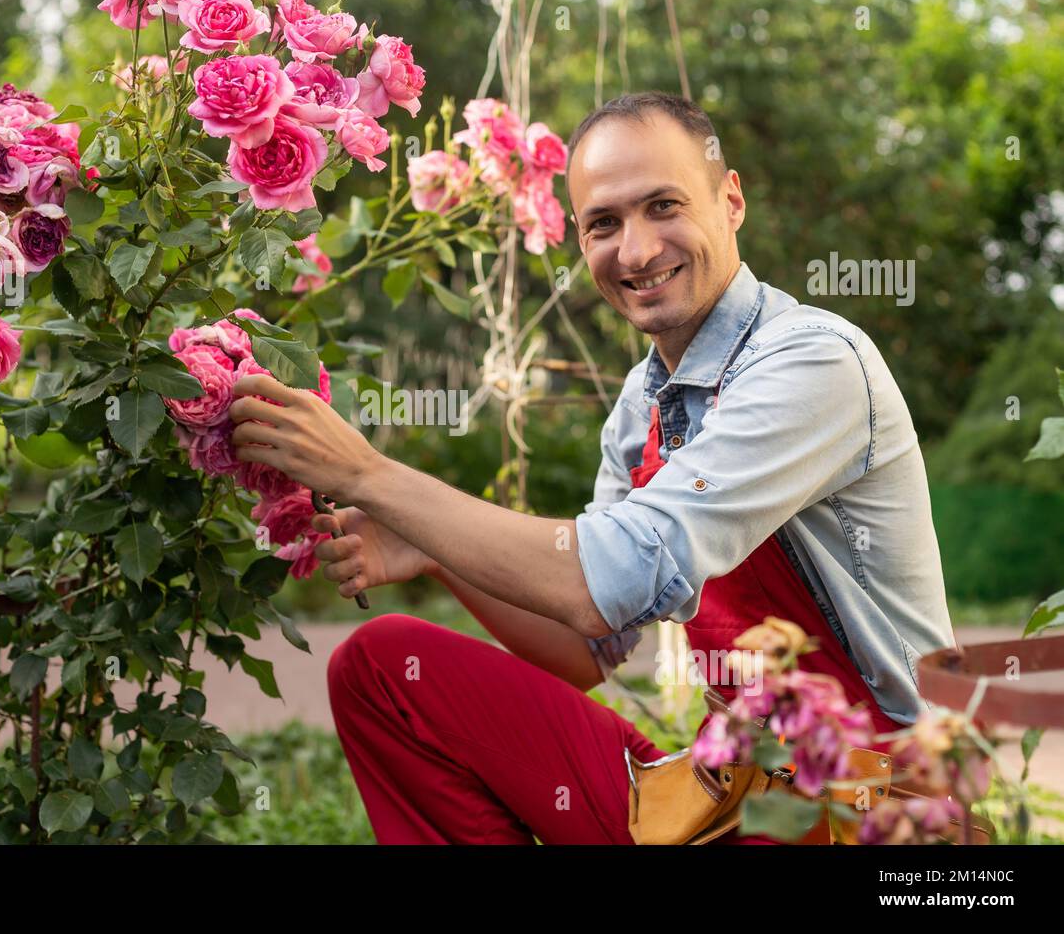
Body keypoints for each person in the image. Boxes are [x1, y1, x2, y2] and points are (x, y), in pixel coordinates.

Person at [227, 91, 956, 845]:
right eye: (603, 224)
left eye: (663, 207)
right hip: (736, 792)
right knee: (383, 670)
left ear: (730, 200)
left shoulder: (811, 363)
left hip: (870, 801)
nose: (636, 252)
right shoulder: (642, 401)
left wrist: (368, 474)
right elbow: (585, 645)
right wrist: (430, 549)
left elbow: (605, 576)